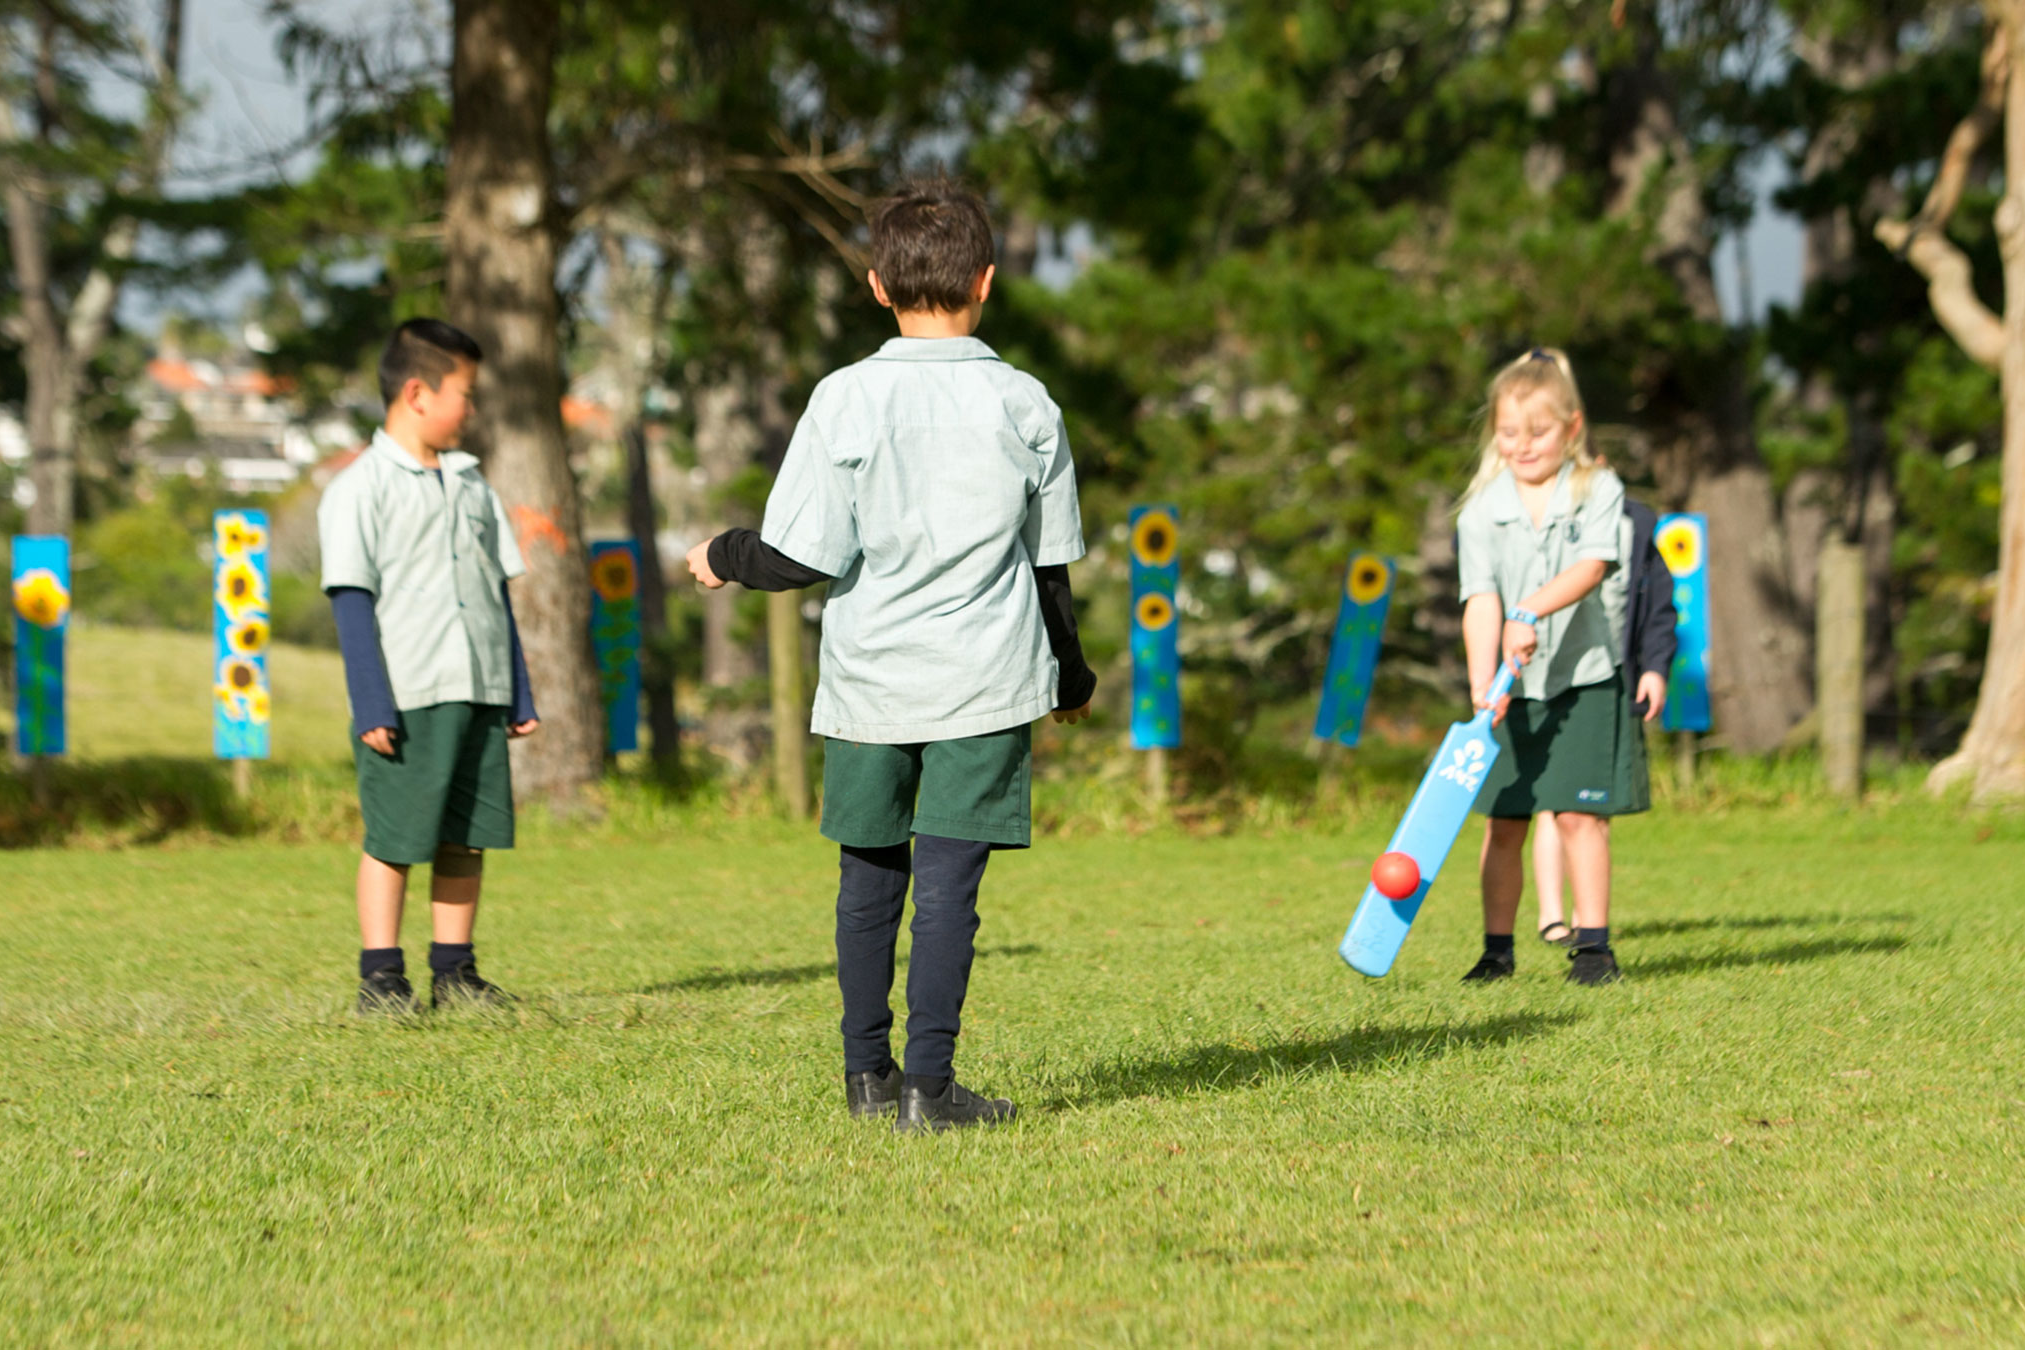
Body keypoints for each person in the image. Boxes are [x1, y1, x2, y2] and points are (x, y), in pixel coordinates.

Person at [685, 178, 1096, 1132]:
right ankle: (929, 1090)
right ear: (986, 282)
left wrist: (720, 555)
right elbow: (1049, 567)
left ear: (877, 287)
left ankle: (865, 1082)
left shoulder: (844, 399)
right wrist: (1070, 678)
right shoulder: (1027, 404)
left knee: (868, 881)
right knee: (950, 888)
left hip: (871, 685)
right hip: (985, 686)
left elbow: (795, 558)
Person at [318, 318, 540, 1014]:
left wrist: (519, 690)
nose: (471, 410)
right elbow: (352, 600)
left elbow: (495, 592)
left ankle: (455, 973)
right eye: (464, 395)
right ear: (417, 393)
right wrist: (370, 703)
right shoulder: (359, 488)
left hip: (479, 684)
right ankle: (381, 977)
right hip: (408, 691)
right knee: (395, 836)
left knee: (466, 836)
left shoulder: (474, 487)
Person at [1455, 347, 1636, 986]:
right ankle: (1495, 951)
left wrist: (1527, 613)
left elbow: (1590, 569)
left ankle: (1593, 948)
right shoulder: (1480, 509)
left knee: (1578, 815)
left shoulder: (1598, 489)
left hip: (1583, 676)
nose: (1523, 445)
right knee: (1505, 821)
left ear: (1572, 427)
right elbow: (1480, 597)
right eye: (1509, 433)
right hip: (1511, 690)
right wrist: (1483, 680)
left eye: (1539, 432)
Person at [1531, 494, 1676, 947]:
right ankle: (1551, 915)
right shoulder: (1533, 512)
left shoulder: (1636, 524)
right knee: (1554, 806)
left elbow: (1658, 608)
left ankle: (1584, 915)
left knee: (1592, 808)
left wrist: (1654, 666)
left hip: (1612, 678)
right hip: (1545, 677)